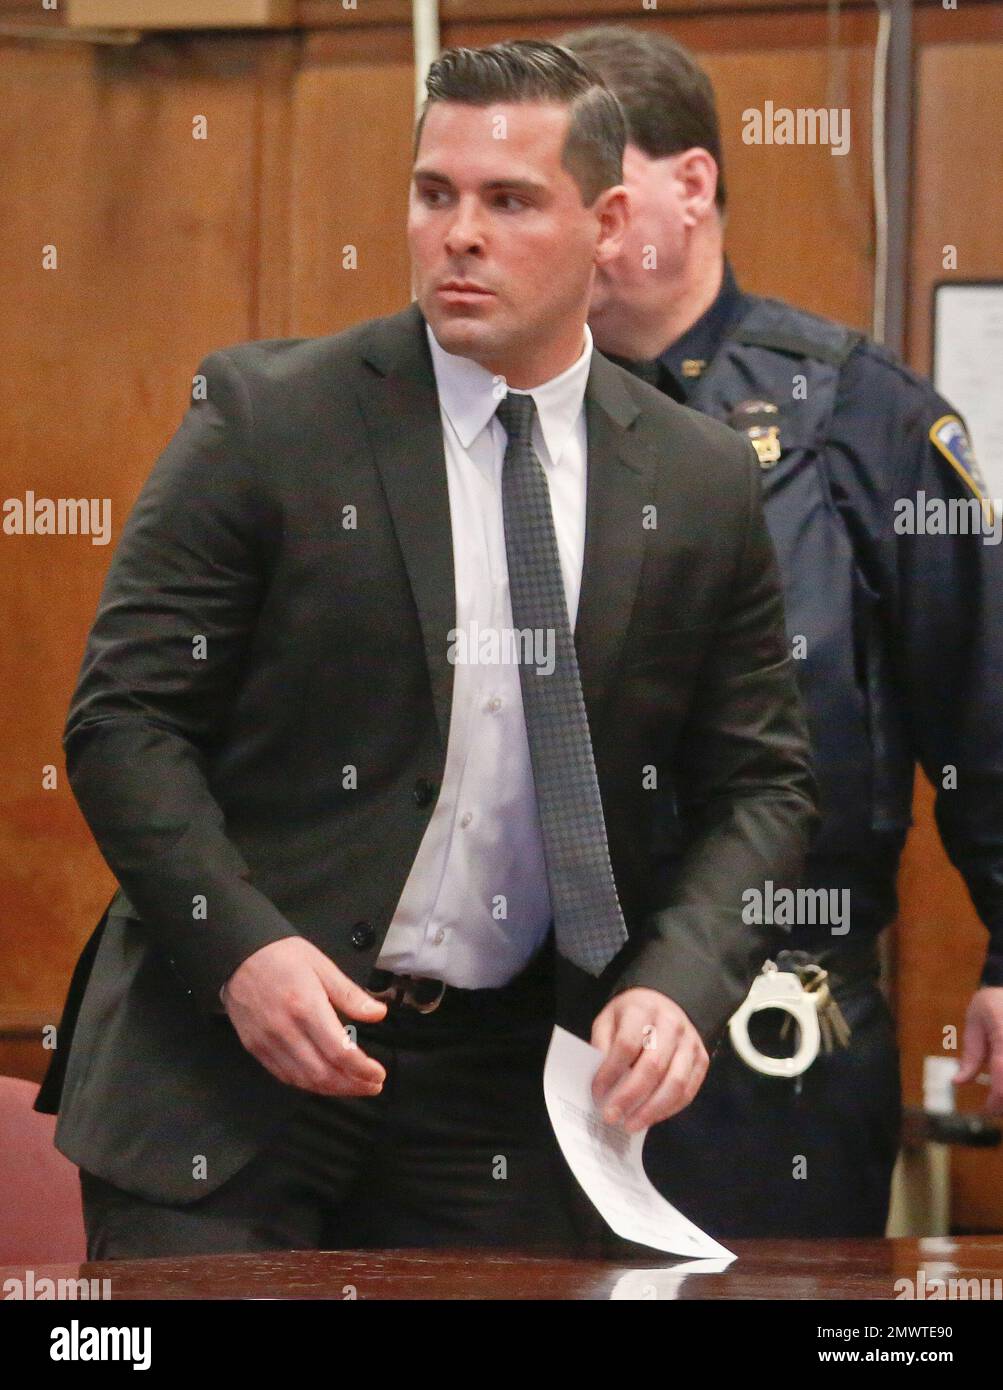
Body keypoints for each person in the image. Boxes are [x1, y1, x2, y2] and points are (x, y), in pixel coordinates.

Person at [36, 39, 816, 1260]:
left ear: (608, 223)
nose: (459, 233)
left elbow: (764, 781)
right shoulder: (265, 417)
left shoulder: (696, 476)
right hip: (228, 1070)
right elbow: (122, 724)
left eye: (508, 201)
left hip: (500, 1092)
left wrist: (681, 980)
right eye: (433, 193)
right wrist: (243, 949)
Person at [558, 23, 1003, 1238]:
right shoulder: (504, 415)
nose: (559, 225)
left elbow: (984, 706)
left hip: (774, 1028)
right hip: (533, 1029)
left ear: (690, 185)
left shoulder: (861, 416)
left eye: (592, 190)